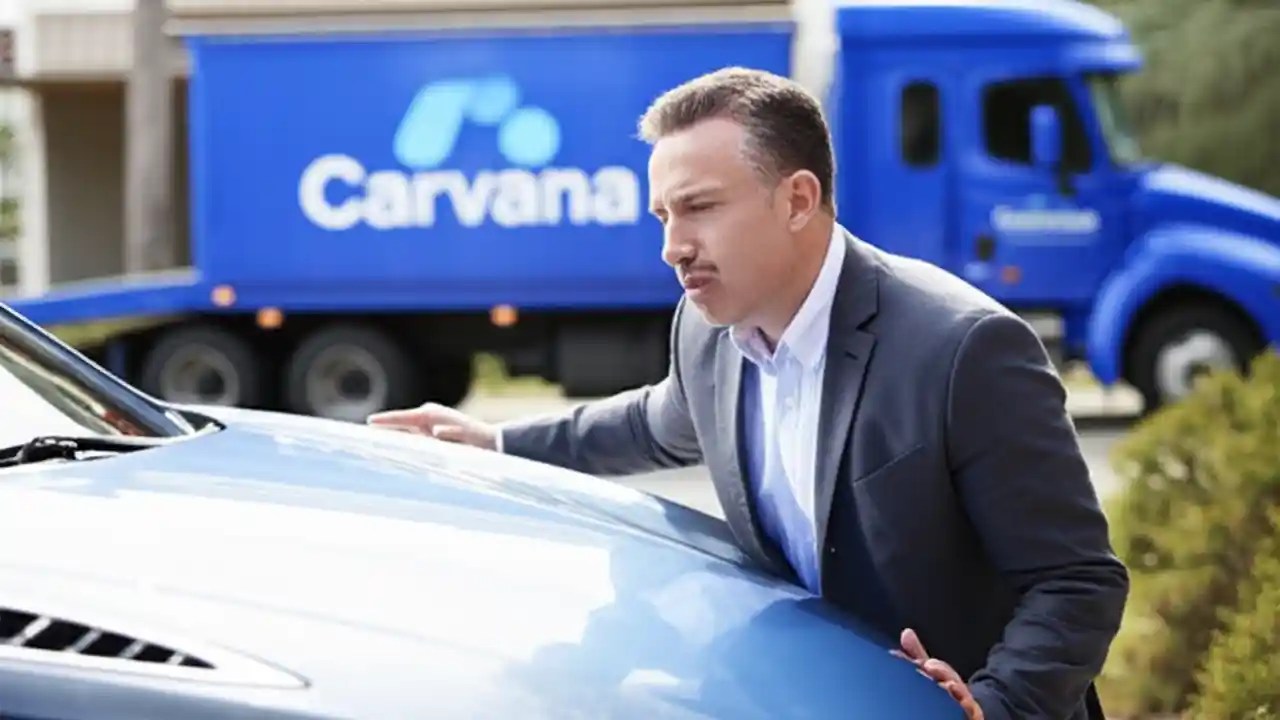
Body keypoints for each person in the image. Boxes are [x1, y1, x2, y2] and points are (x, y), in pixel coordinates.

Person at [368, 67, 1129, 720]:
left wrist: (993, 704)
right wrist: (495, 443)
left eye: (699, 207)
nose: (672, 246)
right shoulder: (704, 331)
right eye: (665, 216)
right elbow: (655, 424)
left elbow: (1077, 580)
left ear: (797, 199)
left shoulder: (964, 350)